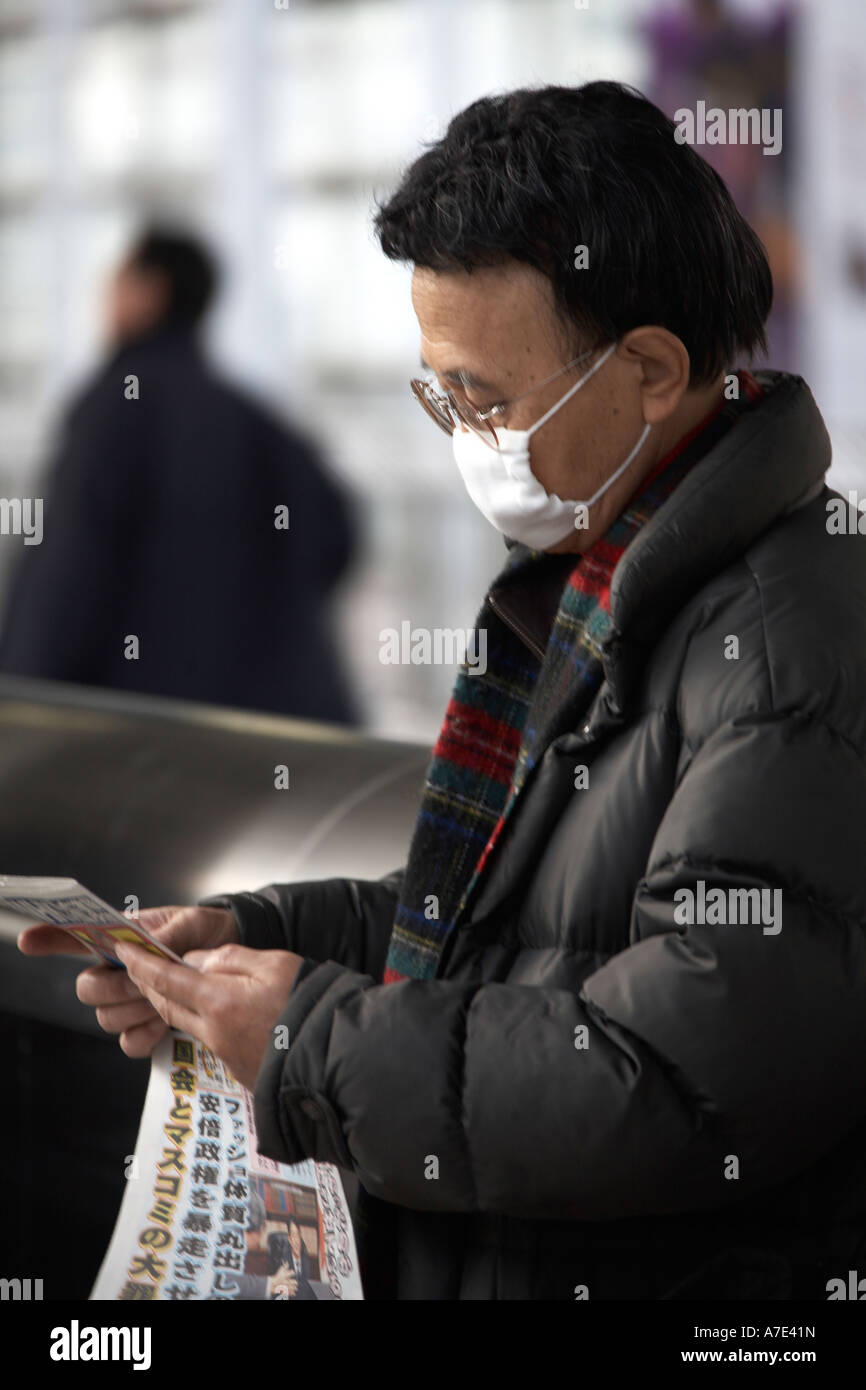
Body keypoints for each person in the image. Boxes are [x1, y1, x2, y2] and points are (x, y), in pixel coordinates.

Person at [20, 82, 866, 1301]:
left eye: (485, 397)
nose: (464, 436)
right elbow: (506, 929)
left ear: (645, 370)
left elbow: (681, 1077)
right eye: (440, 395)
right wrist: (264, 933)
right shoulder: (603, 578)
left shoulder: (787, 652)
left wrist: (307, 1039)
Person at [0, 227, 360, 724]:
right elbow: (339, 538)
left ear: (151, 290)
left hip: (156, 744)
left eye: (116, 280)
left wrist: (19, 710)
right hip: (284, 735)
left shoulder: (114, 411)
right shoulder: (259, 421)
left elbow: (63, 580)